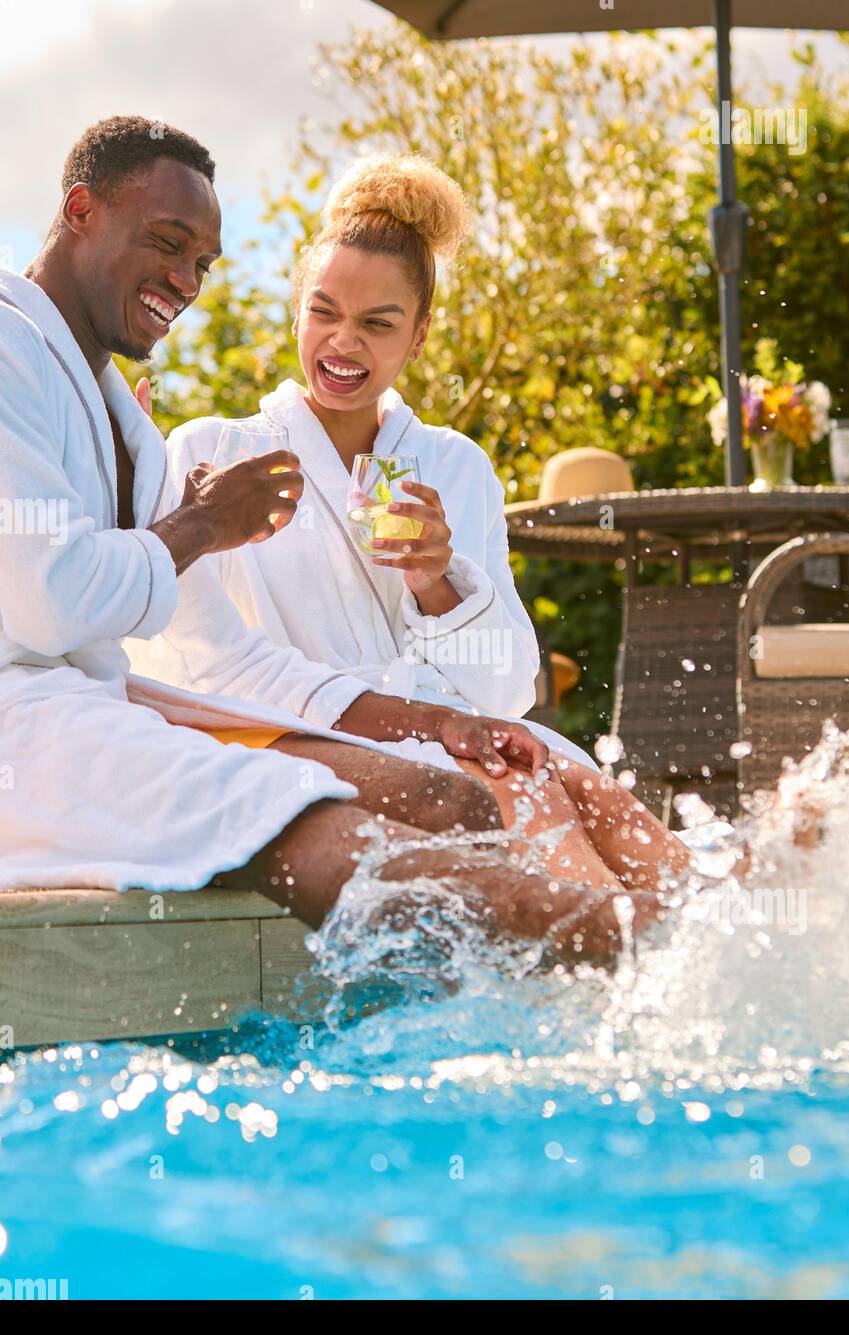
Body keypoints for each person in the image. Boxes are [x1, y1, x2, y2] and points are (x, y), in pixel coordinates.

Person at [0, 115, 667, 961]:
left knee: (455, 796)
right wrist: (202, 523)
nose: (185, 278)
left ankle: (654, 949)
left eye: (202, 261)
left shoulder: (118, 414)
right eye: (168, 242)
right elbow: (54, 604)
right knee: (317, 828)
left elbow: (227, 654)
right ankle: (637, 962)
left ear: (417, 338)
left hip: (91, 715)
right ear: (80, 209)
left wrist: (435, 709)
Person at [129, 153, 701, 890]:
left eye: (377, 323)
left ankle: (709, 934)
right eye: (325, 313)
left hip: (461, 732)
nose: (343, 343)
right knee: (535, 793)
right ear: (297, 309)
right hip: (314, 739)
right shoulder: (215, 450)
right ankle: (621, 957)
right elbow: (187, 653)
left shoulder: (454, 465)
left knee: (599, 803)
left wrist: (439, 583)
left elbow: (507, 688)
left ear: (420, 335)